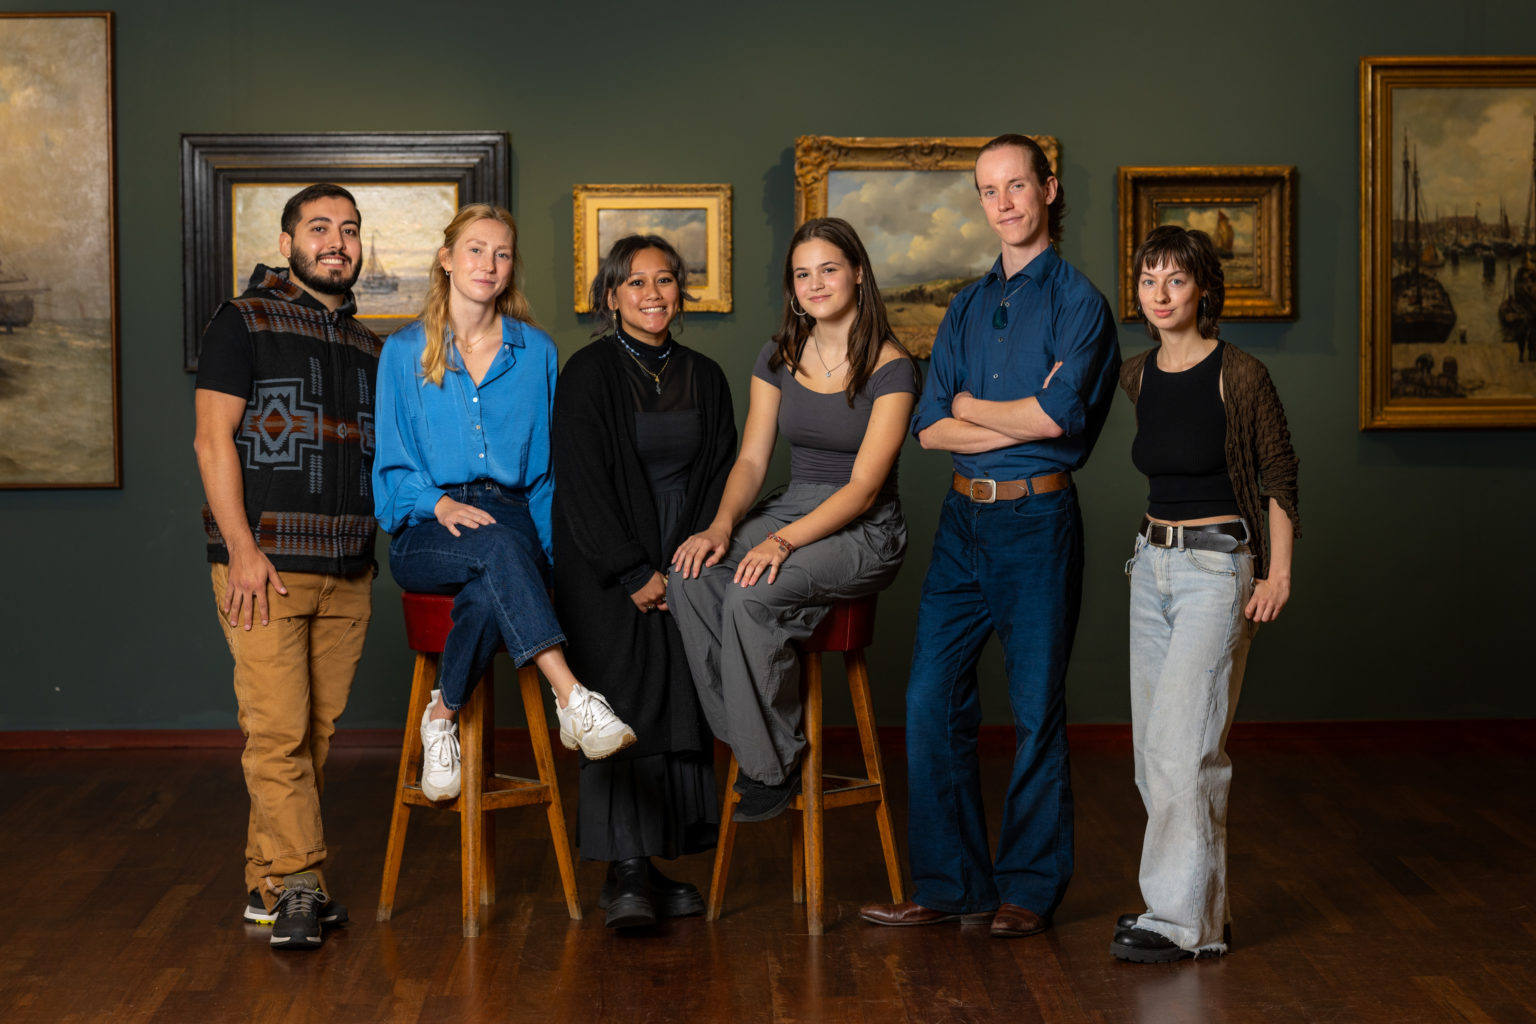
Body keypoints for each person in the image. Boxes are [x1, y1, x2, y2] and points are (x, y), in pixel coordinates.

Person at [860, 134, 1121, 939]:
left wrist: (975, 407)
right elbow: (929, 428)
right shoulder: (968, 305)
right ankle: (952, 887)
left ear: (1048, 189)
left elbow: (1059, 420)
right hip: (961, 523)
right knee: (929, 698)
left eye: (1017, 186)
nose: (1003, 203)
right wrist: (1004, 414)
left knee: (1036, 709)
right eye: (988, 190)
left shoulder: (1080, 304)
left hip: (1038, 523)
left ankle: (1028, 891)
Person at [373, 203, 635, 809]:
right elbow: (390, 464)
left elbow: (545, 474)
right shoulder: (403, 352)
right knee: (499, 550)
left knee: (497, 572)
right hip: (427, 528)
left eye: (502, 254)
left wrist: (556, 561)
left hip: (513, 518)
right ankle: (572, 696)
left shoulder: (536, 352)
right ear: (446, 259)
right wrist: (438, 503)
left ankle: (441, 715)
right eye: (475, 250)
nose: (488, 264)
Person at [668, 217, 919, 823]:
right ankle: (753, 739)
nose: (816, 284)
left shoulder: (893, 367)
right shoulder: (778, 355)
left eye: (828, 269)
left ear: (857, 274)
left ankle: (770, 767)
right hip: (792, 502)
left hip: (864, 526)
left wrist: (780, 543)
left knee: (753, 594)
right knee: (690, 576)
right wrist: (721, 526)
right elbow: (753, 460)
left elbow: (862, 488)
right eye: (803, 274)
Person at [193, 183, 379, 950]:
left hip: (349, 569)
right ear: (287, 242)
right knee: (276, 733)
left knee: (311, 737)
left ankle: (265, 886)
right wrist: (241, 549)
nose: (336, 242)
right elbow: (212, 439)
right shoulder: (242, 321)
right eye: (319, 228)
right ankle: (302, 884)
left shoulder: (370, 347)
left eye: (350, 229)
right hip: (263, 565)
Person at [1110, 224, 1299, 963]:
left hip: (1217, 573)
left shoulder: (1241, 374)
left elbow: (1279, 477)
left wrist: (1277, 575)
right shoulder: (1136, 375)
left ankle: (1177, 921)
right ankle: (1201, 918)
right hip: (1149, 567)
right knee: (1155, 756)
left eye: (1176, 280)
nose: (1160, 294)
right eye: (1148, 280)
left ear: (1203, 290)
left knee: (1183, 750)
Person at [551, 235, 737, 929]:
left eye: (665, 280)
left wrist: (695, 554)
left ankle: (652, 860)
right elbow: (581, 481)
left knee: (677, 697)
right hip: (607, 564)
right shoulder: (588, 371)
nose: (652, 294)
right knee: (624, 698)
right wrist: (631, 569)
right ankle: (624, 869)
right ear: (611, 296)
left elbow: (722, 472)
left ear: (680, 292)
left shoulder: (706, 375)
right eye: (635, 282)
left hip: (687, 559)